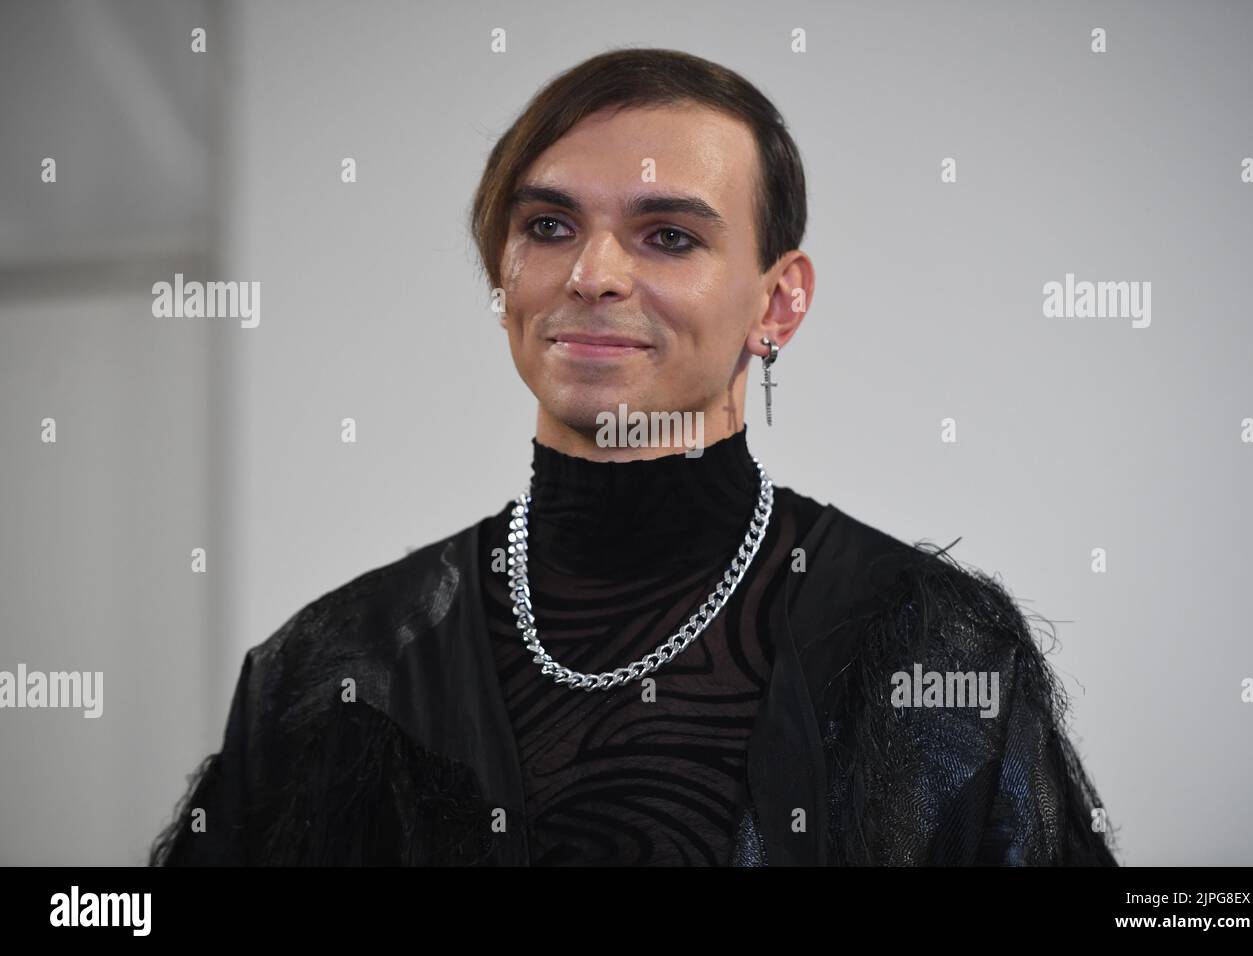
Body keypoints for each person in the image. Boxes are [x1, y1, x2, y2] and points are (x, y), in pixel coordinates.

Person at [150, 47, 1117, 866]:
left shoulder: (931, 648)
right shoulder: (336, 664)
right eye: (549, 227)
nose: (593, 275)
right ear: (504, 274)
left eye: (667, 236)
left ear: (777, 303)